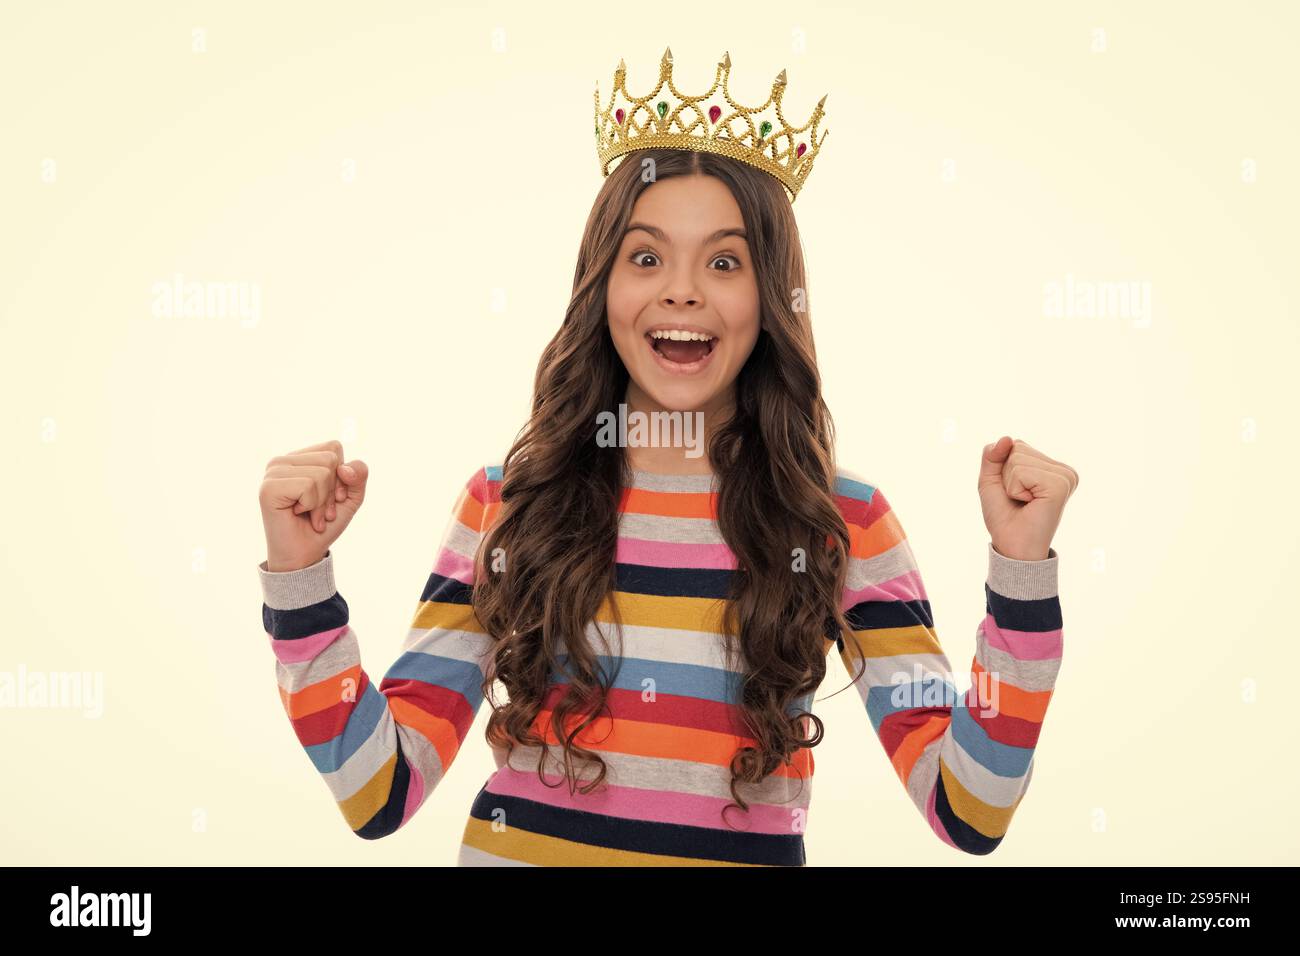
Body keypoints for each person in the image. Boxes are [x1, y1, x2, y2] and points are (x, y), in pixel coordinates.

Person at [256, 51, 1077, 865]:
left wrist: (1021, 569)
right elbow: (378, 791)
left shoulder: (838, 520)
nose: (682, 290)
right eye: (646, 257)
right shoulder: (508, 502)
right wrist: (301, 580)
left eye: (725, 262)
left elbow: (970, 807)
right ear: (600, 287)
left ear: (772, 301)